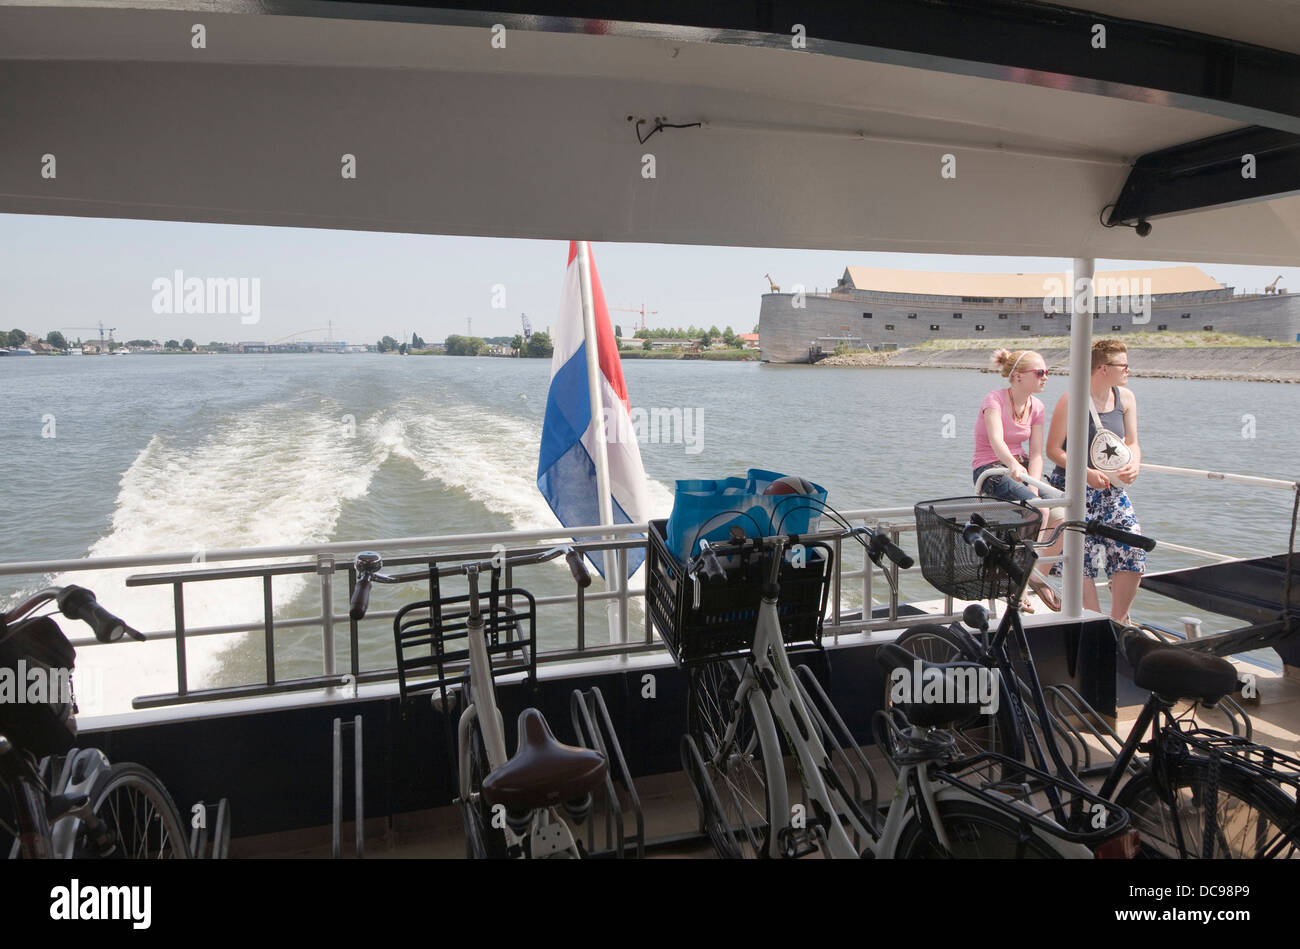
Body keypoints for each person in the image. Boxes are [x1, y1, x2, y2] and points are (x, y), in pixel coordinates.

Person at [1045, 339, 1144, 625]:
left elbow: (1133, 442)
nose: (1128, 370)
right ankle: (1094, 622)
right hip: (1075, 489)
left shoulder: (1126, 398)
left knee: (1133, 548)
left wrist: (1134, 464)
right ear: (1103, 368)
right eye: (1123, 365)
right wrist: (1085, 472)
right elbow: (1054, 450)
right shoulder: (1072, 399)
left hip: (1112, 490)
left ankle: (1118, 621)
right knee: (1081, 557)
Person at [971, 348, 1061, 610]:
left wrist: (1032, 482)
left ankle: (1035, 573)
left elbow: (1036, 454)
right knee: (1037, 509)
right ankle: (1019, 582)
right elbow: (996, 441)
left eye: (1047, 372)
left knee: (1063, 513)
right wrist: (1012, 466)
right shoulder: (994, 400)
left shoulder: (1038, 407)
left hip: (1020, 469)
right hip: (991, 469)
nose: (1046, 377)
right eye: (1040, 373)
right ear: (1018, 377)